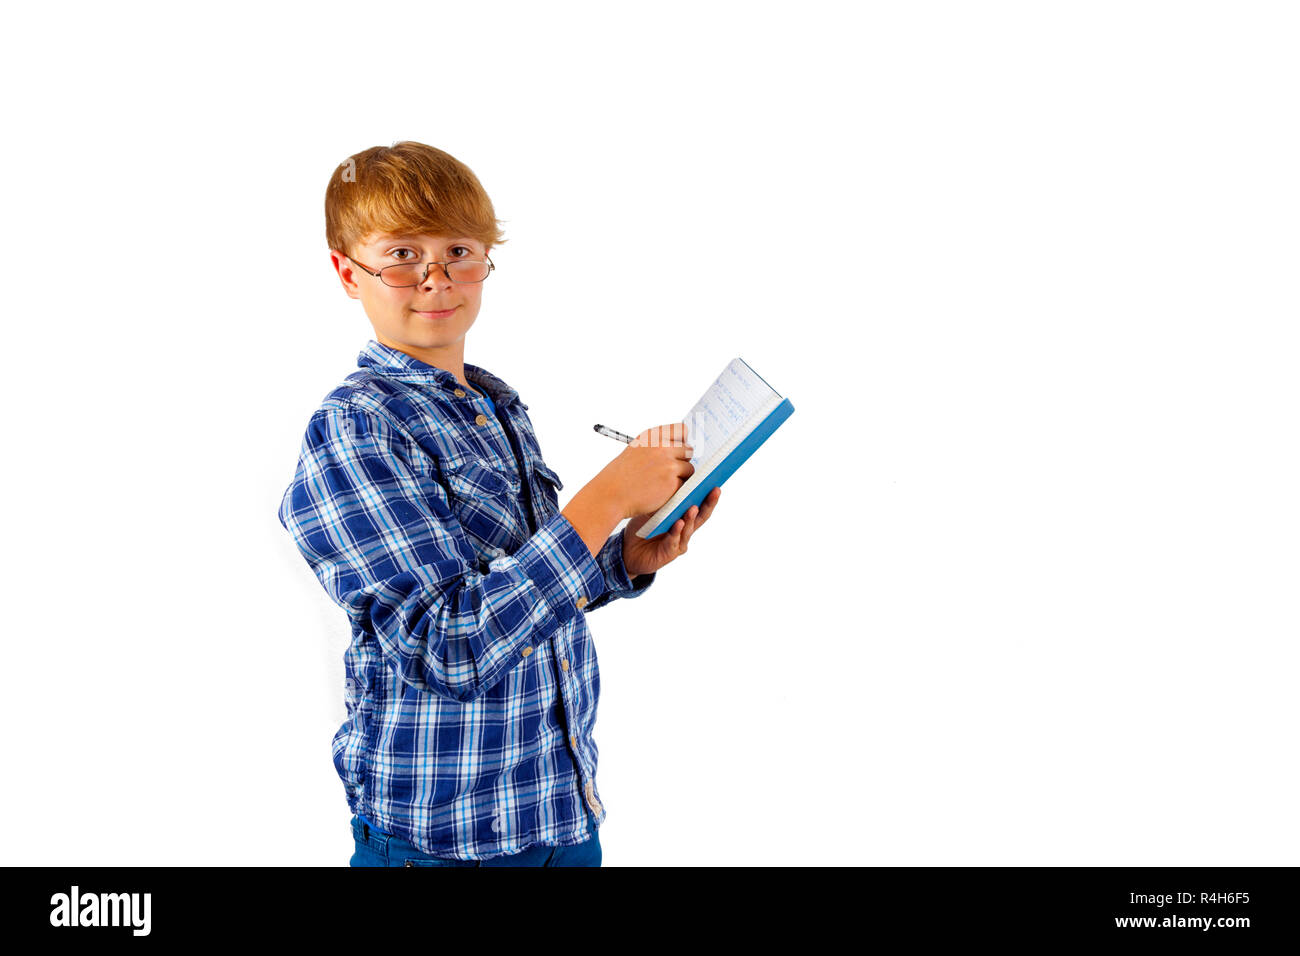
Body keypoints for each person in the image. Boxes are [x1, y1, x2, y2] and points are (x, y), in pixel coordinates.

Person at [277, 141, 721, 866]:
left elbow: (517, 593)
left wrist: (622, 558)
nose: (436, 278)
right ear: (348, 273)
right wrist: (606, 496)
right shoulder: (357, 428)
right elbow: (451, 645)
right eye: (401, 255)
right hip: (446, 845)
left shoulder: (495, 405)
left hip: (559, 813)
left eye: (458, 251)